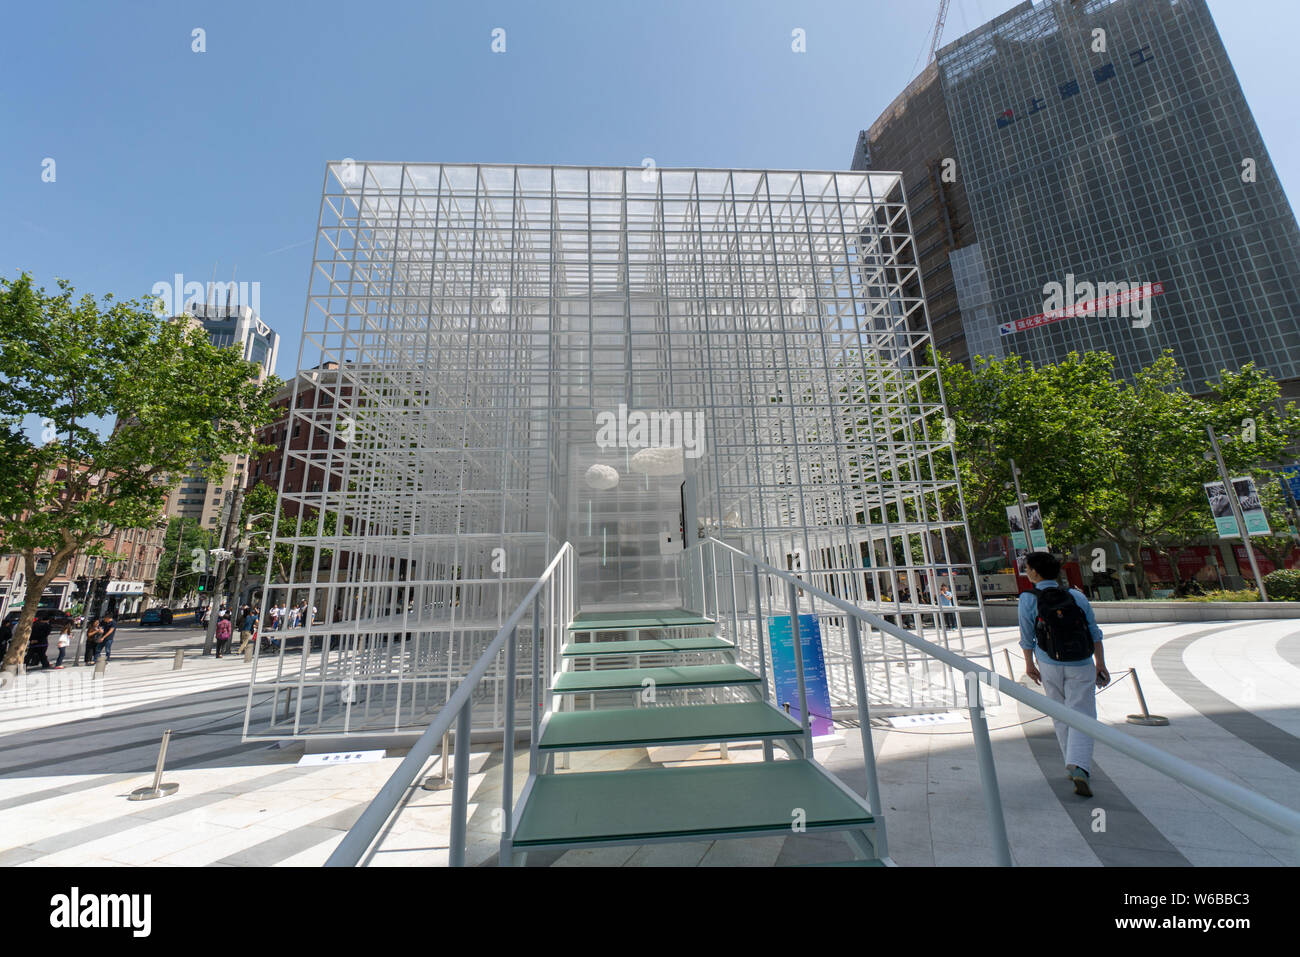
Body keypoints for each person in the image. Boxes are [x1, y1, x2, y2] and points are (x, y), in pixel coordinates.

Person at [1019, 552, 1109, 797]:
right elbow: (1094, 632)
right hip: (1081, 662)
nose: (1026, 571)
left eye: (1027, 568)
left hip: (1048, 662)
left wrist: (1029, 664)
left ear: (1035, 572)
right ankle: (1080, 766)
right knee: (1082, 712)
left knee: (1059, 712)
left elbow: (1027, 637)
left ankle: (1072, 764)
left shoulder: (1028, 599)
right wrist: (1100, 663)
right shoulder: (1076, 596)